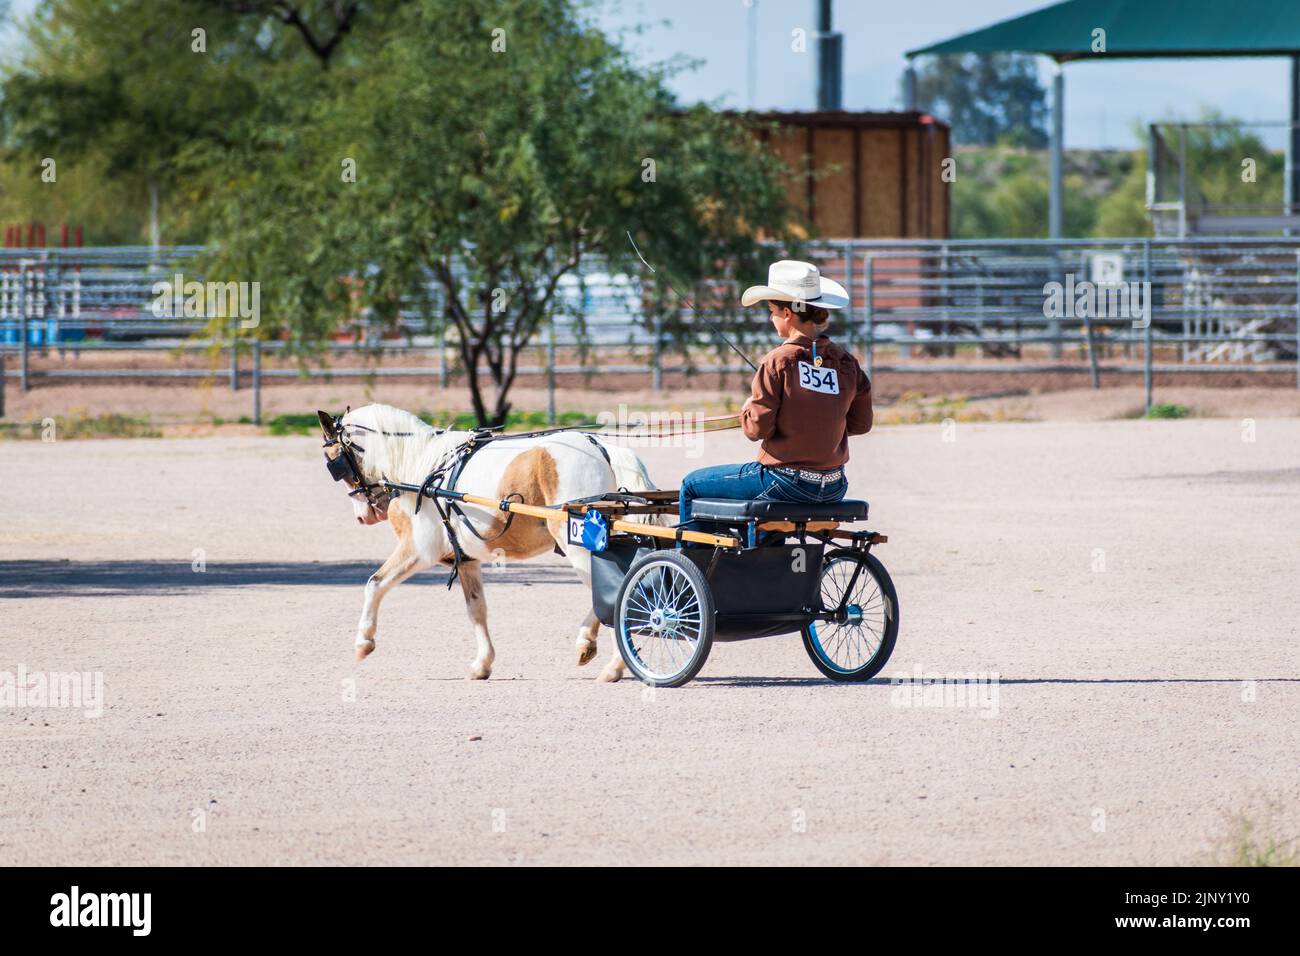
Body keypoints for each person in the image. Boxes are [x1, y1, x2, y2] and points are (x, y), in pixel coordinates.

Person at [678, 259, 873, 527]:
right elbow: (861, 424)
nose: (771, 318)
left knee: (691, 484)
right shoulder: (847, 363)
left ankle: (689, 562)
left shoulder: (776, 362)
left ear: (788, 314)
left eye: (772, 311)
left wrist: (749, 411)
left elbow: (756, 430)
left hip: (785, 483)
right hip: (834, 485)